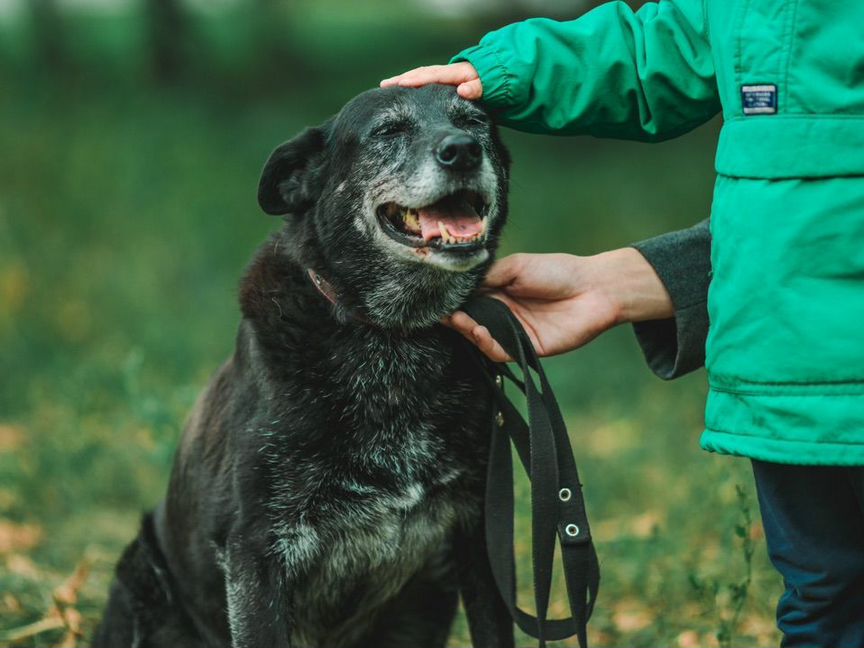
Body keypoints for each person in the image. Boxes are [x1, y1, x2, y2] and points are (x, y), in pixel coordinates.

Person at [380, 2, 864, 647]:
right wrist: (503, 70)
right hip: (790, 375)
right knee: (825, 594)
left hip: (807, 367)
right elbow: (658, 48)